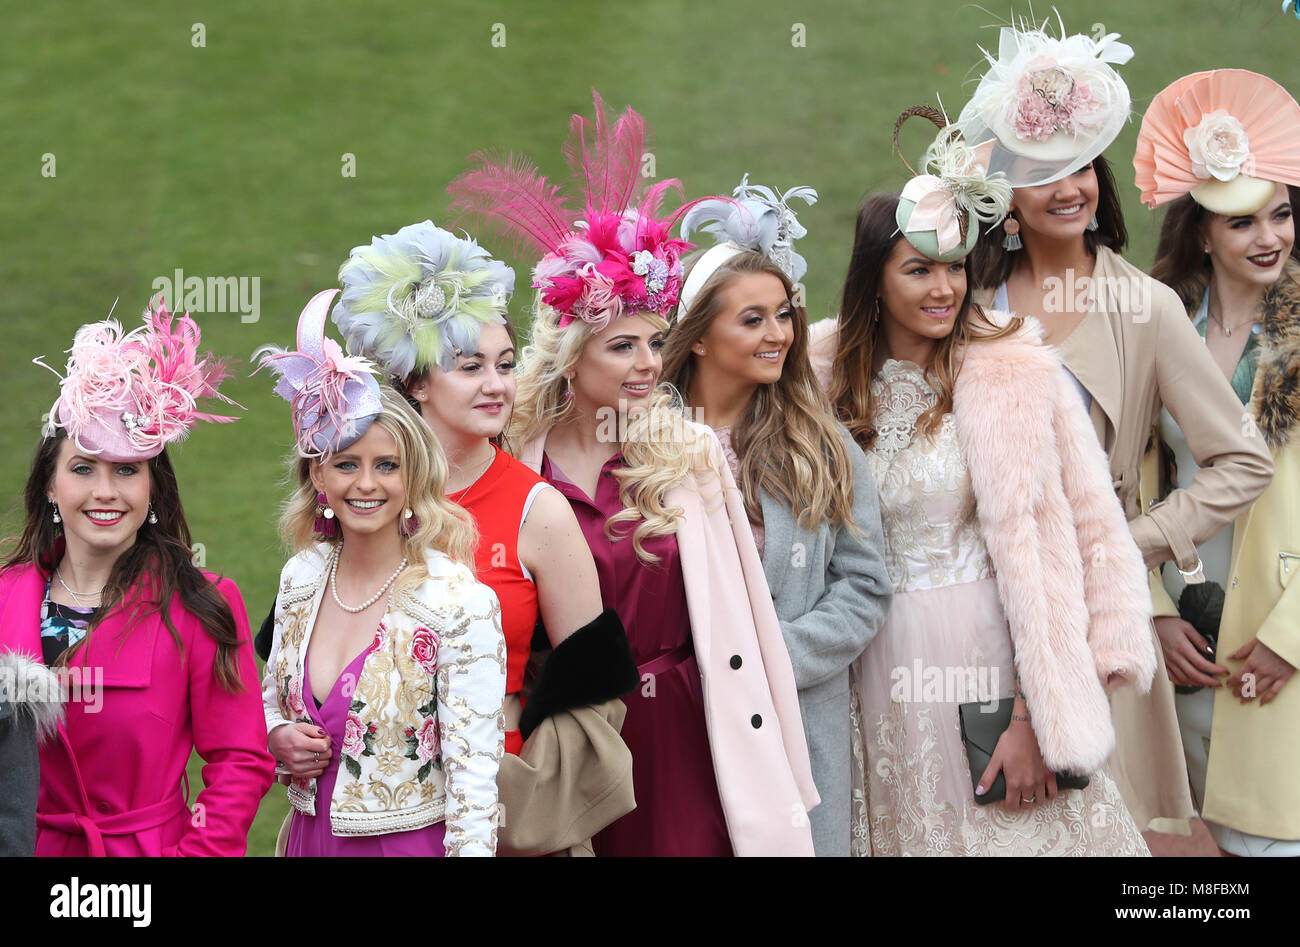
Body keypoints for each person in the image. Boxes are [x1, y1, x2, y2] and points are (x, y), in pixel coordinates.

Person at [449, 91, 819, 856]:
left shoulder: (688, 453)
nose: (650, 363)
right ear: (570, 354)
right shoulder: (517, 457)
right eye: (623, 346)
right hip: (565, 735)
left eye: (655, 342)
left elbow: (748, 621)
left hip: (682, 723)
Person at [953, 19, 1274, 853]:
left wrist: (1131, 546)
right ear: (1005, 198)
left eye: (1082, 167)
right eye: (1041, 174)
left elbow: (1243, 461)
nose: (1070, 188)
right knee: (992, 824)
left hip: (1096, 618)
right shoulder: (965, 307)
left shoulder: (1149, 307)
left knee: (1107, 830)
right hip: (972, 604)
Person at [809, 113, 1152, 855]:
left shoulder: (1014, 369)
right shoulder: (820, 375)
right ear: (873, 279)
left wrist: (1034, 717)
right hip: (866, 668)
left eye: (957, 266)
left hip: (987, 658)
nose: (945, 287)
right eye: (919, 268)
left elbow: (1084, 533)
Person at [329, 219, 638, 855]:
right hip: (365, 812)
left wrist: (522, 796)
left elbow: (592, 685)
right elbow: (304, 653)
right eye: (470, 367)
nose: (497, 384)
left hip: (499, 814)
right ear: (416, 381)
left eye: (503, 364)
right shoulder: (361, 498)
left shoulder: (539, 510)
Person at [661, 177, 892, 855]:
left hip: (795, 723)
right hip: (683, 723)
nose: (779, 334)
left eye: (785, 314)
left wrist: (769, 658)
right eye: (753, 318)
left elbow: (866, 585)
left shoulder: (824, 445)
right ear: (698, 336)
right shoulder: (647, 446)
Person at [0, 301, 274, 856]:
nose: (106, 492)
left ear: (153, 489)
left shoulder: (203, 602)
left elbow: (240, 762)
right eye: (83, 469)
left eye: (126, 470)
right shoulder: (6, 597)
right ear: (51, 487)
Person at [257, 289, 505, 857]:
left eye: (386, 465)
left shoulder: (457, 601)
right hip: (310, 842)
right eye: (347, 464)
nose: (365, 485)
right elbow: (272, 695)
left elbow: (475, 787)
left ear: (413, 477)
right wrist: (277, 735)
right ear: (319, 477)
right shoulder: (301, 578)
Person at [1136, 68, 1300, 855]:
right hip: (1192, 637)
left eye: (1280, 215)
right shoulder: (1160, 324)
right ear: (1202, 231)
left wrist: (1289, 638)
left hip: (1279, 636)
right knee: (1205, 841)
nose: (1268, 237)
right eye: (1242, 223)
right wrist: (1154, 610)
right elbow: (1129, 481)